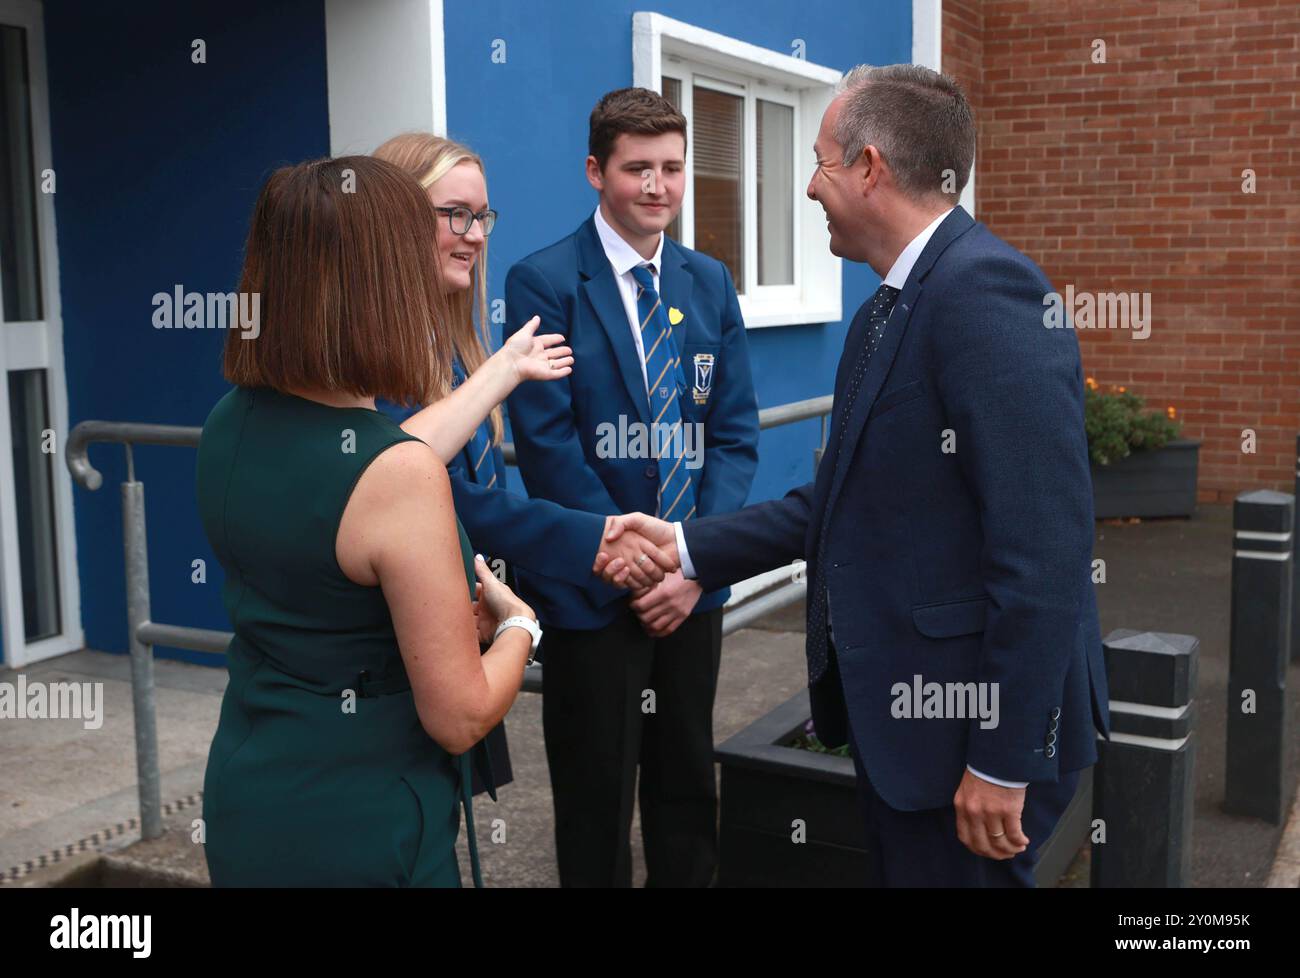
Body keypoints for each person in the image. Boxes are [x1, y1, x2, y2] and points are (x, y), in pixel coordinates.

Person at [604, 65, 1111, 888]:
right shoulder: (885, 308)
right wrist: (688, 547)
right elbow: (841, 501)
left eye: (821, 161)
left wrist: (1005, 760)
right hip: (906, 738)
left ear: (871, 167)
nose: (808, 186)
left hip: (971, 743)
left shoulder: (986, 294)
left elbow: (1046, 551)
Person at [197, 155, 574, 887]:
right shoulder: (397, 476)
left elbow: (347, 495)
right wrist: (523, 625)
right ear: (382, 287)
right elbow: (460, 715)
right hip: (366, 829)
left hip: (252, 796)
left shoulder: (228, 421)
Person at [369, 133, 676, 800]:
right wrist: (596, 539)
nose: (474, 235)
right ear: (390, 219)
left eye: (481, 217)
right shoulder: (375, 361)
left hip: (456, 627)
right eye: (453, 214)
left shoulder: (450, 345)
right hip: (394, 659)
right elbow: (441, 498)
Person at [505, 88, 760, 887]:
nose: (658, 186)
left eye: (673, 168)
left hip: (690, 591)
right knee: (596, 796)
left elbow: (734, 434)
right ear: (596, 171)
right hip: (594, 594)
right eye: (637, 168)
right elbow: (546, 445)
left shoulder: (710, 281)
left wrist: (694, 563)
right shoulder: (544, 281)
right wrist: (636, 562)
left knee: (687, 783)